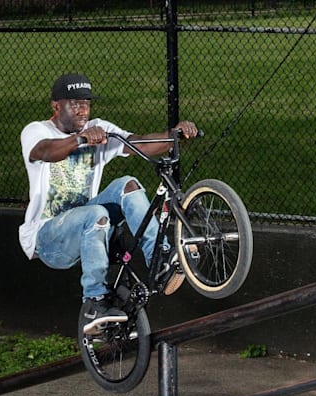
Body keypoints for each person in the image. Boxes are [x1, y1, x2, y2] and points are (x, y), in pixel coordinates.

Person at [18, 72, 199, 334]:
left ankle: (159, 260)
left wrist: (173, 135)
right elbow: (45, 151)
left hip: (91, 222)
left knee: (129, 183)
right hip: (48, 238)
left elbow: (138, 144)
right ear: (56, 107)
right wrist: (80, 139)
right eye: (75, 104)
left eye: (87, 104)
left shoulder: (98, 128)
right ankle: (94, 301)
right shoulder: (36, 131)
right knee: (95, 214)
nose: (83, 111)